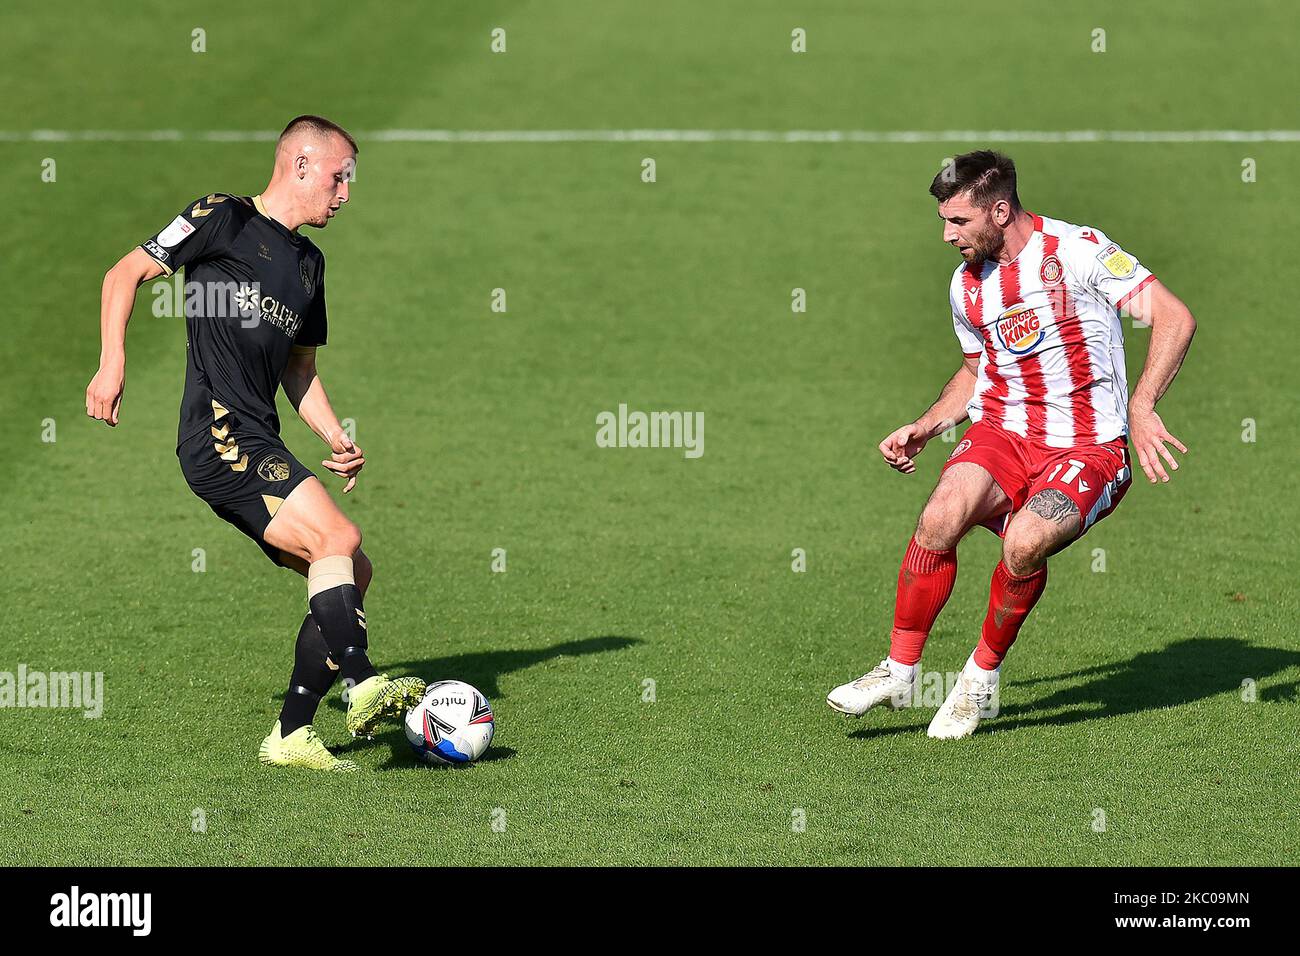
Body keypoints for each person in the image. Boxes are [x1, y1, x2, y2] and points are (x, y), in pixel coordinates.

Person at [86, 115, 424, 771]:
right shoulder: (224, 218)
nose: (345, 195)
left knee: (352, 571)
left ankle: (291, 735)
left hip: (256, 436)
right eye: (339, 178)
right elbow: (122, 274)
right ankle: (362, 683)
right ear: (301, 164)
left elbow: (300, 372)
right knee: (340, 539)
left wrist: (335, 435)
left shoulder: (308, 265)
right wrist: (112, 363)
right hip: (217, 434)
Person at [827, 150, 1196, 738]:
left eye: (958, 222)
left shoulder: (1077, 252)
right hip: (1006, 431)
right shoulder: (967, 284)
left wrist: (1143, 403)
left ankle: (979, 679)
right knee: (940, 516)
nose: (947, 235)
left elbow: (1174, 319)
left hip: (1089, 449)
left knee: (1025, 543)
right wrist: (925, 425)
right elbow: (977, 371)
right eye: (944, 221)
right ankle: (900, 669)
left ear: (1000, 210)